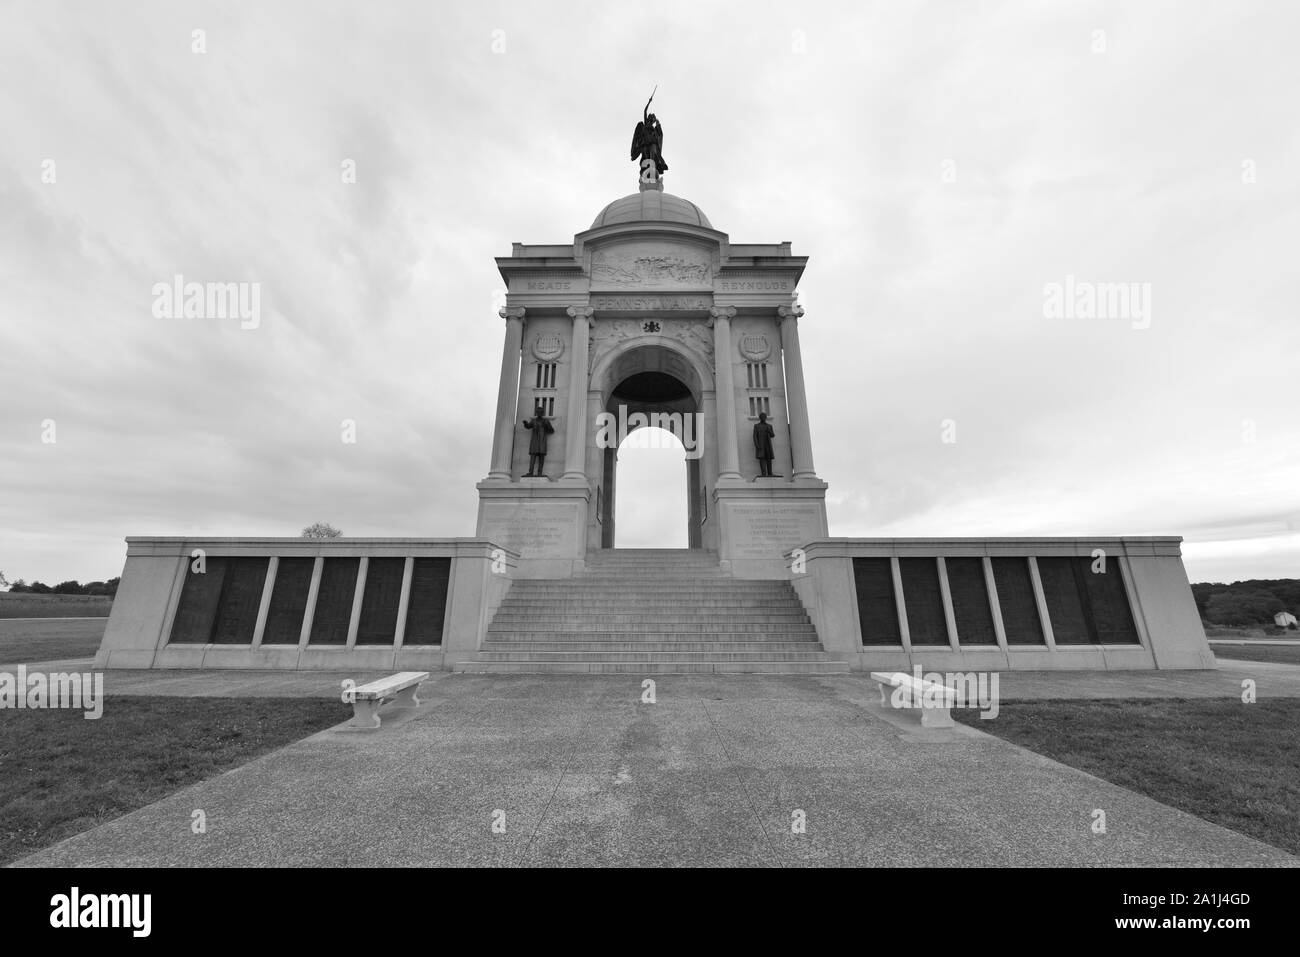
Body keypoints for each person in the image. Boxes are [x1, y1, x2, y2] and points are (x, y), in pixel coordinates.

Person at [522, 406, 554, 477]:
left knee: (541, 457)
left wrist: (547, 426)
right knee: (533, 457)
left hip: (542, 441)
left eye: (541, 412)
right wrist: (525, 423)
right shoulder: (534, 421)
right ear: (536, 413)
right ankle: (530, 472)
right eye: (538, 412)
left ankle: (540, 472)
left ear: (542, 413)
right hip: (535, 442)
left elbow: (552, 430)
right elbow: (528, 426)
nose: (539, 413)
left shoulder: (545, 421)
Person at [753, 411, 776, 477]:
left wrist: (769, 430)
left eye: (764, 417)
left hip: (768, 445)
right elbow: (754, 436)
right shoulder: (756, 426)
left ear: (766, 418)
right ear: (760, 418)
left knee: (769, 458)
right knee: (762, 458)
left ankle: (770, 473)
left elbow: (772, 435)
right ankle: (763, 473)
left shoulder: (769, 426)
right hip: (760, 444)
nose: (763, 418)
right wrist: (756, 444)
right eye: (762, 417)